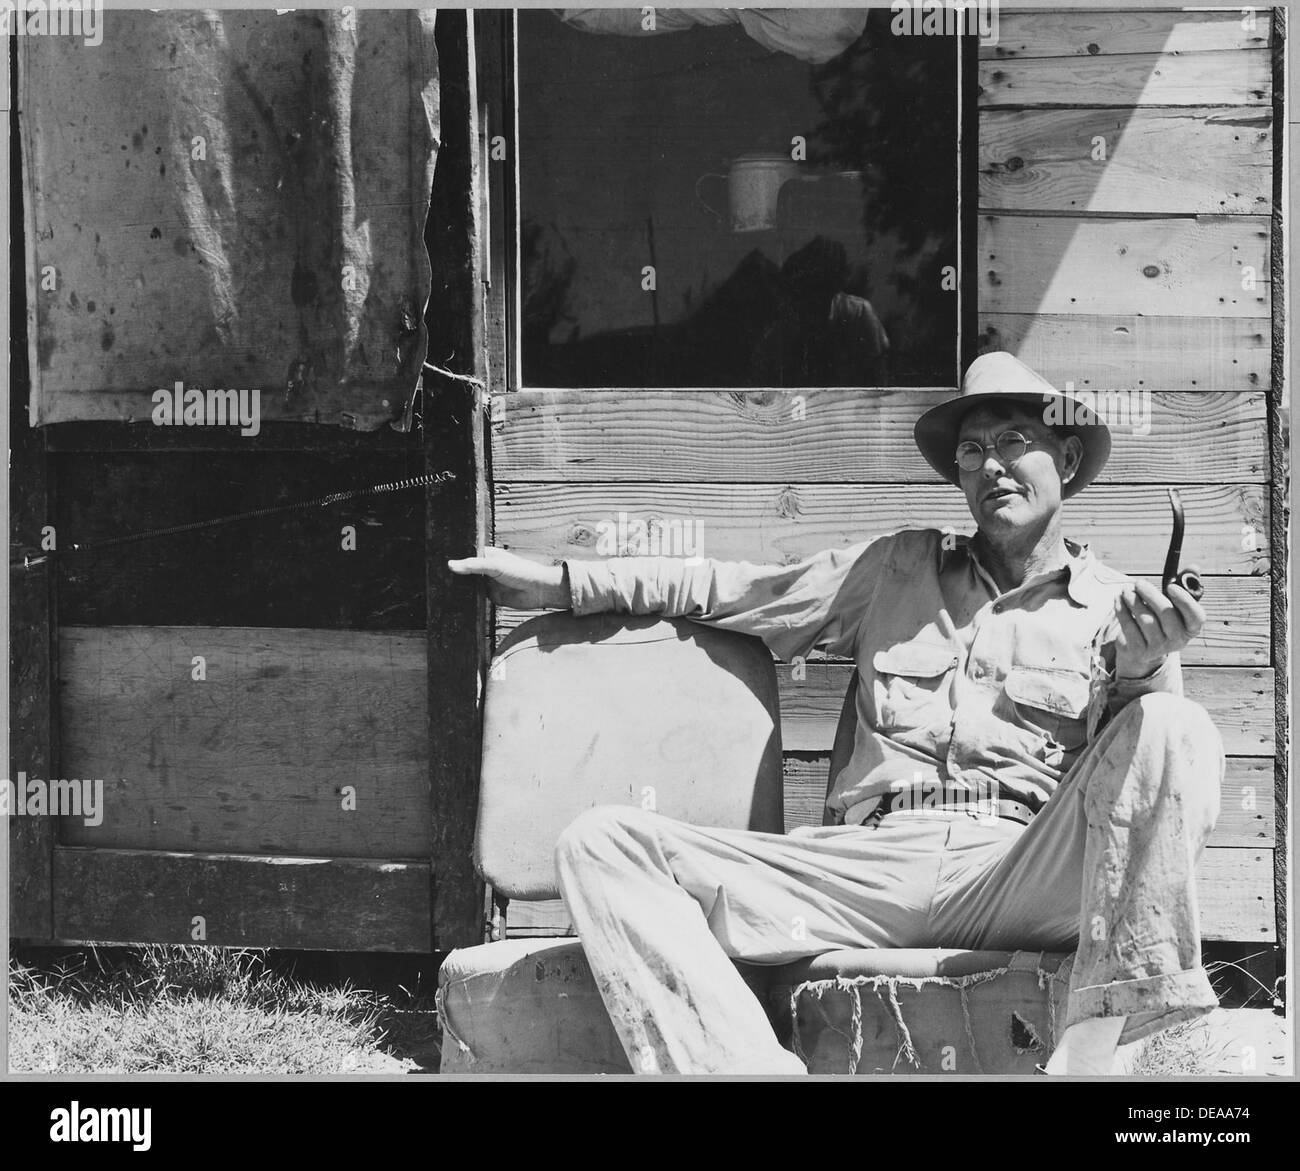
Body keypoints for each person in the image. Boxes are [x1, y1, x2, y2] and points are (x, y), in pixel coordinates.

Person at [448, 351, 1223, 1076]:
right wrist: (561, 582)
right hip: (867, 867)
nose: (991, 465)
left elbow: (1152, 794)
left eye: (1015, 440)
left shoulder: (1124, 613)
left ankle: (1088, 1060)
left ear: (1069, 459)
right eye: (971, 449)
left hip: (1020, 873)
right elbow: (732, 587)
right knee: (600, 843)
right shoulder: (895, 569)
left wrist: (1145, 666)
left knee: (1176, 728)